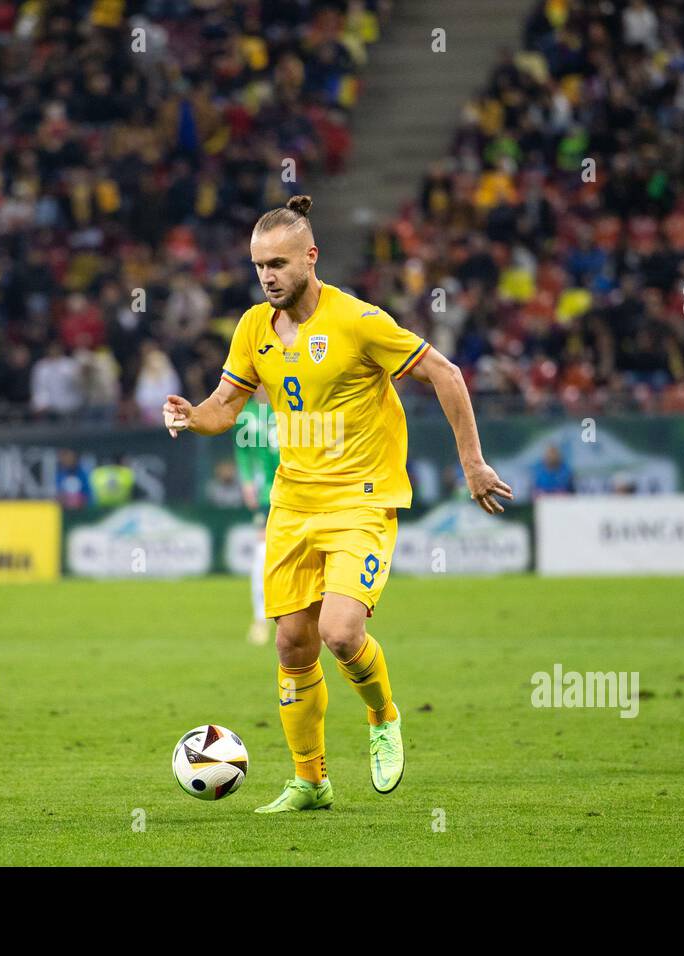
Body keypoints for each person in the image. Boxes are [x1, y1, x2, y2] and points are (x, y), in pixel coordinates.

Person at [162, 195, 512, 812]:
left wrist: (473, 462)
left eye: (278, 263)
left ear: (310, 258)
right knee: (293, 646)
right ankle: (310, 781)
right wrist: (193, 417)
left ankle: (383, 716)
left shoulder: (359, 321)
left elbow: (447, 375)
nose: (267, 276)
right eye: (258, 265)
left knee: (341, 633)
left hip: (361, 499)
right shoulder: (252, 328)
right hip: (292, 505)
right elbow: (226, 406)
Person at [234, 387, 279, 645]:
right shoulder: (247, 414)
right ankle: (260, 619)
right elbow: (242, 452)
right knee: (263, 554)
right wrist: (247, 481)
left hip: (296, 491)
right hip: (266, 494)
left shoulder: (288, 406)